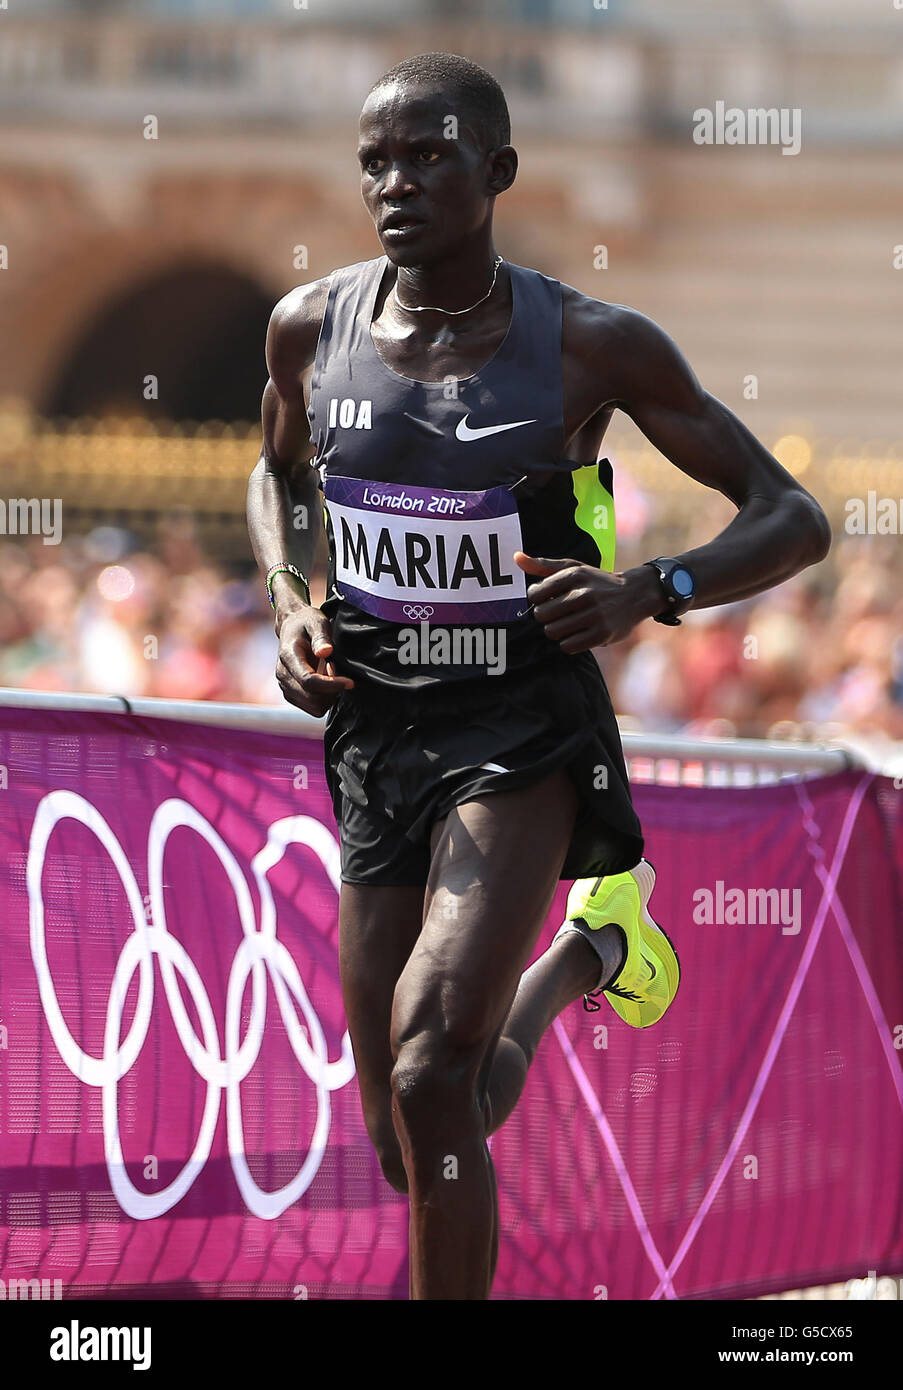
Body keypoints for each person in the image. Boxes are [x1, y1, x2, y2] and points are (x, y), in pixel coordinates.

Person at [246, 52, 831, 1300]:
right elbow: (279, 477)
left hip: (522, 726)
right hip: (375, 727)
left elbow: (790, 514)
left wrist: (650, 590)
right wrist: (292, 598)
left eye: (429, 156)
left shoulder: (590, 344)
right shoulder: (311, 327)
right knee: (408, 1139)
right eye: (375, 162)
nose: (395, 184)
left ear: (497, 172)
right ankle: (591, 955)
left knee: (428, 1073)